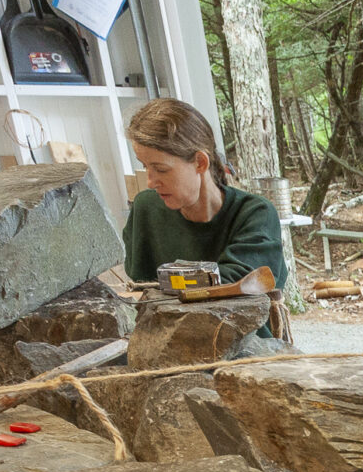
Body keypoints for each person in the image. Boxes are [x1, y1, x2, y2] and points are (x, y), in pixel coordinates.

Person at [121, 98, 288, 334]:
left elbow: (234, 287)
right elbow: (140, 289)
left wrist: (168, 285)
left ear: (200, 162)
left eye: (161, 169)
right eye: (145, 166)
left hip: (248, 352)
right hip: (170, 346)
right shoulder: (146, 208)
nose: (150, 181)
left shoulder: (255, 214)